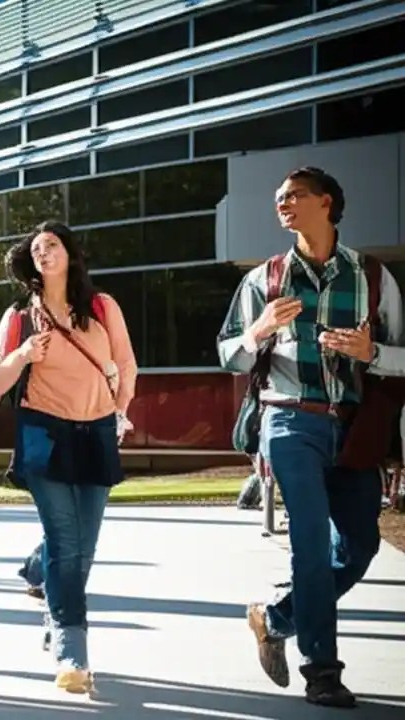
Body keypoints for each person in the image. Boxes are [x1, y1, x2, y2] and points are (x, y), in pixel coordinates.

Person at [217, 167, 404, 708]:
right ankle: (322, 670)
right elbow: (229, 352)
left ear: (326, 203)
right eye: (279, 198)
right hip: (289, 419)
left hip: (353, 426)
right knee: (311, 546)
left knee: (361, 547)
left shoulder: (372, 278)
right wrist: (258, 331)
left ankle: (275, 619)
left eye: (294, 196)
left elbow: (401, 355)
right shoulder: (265, 280)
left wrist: (373, 355)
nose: (283, 204)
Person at [0, 221, 137, 695]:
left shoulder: (101, 307)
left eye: (52, 245)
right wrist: (24, 354)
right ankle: (73, 654)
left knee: (84, 545)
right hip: (43, 430)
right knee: (66, 539)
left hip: (95, 429)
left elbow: (126, 365)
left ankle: (52, 602)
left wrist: (118, 414)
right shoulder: (18, 317)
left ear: (69, 254)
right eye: (36, 249)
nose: (44, 253)